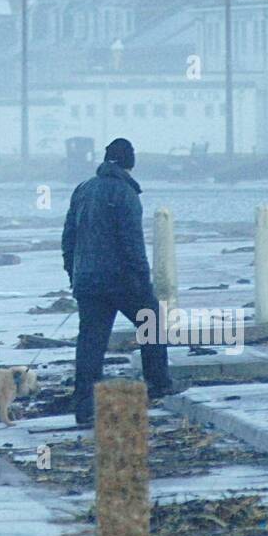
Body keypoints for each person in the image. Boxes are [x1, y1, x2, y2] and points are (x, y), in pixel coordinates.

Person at [61, 137, 175, 425]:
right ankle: (158, 385)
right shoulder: (126, 194)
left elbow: (68, 238)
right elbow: (132, 245)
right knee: (152, 323)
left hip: (87, 280)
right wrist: (143, 281)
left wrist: (73, 274)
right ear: (129, 162)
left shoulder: (83, 189)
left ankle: (85, 407)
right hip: (122, 281)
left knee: (91, 342)